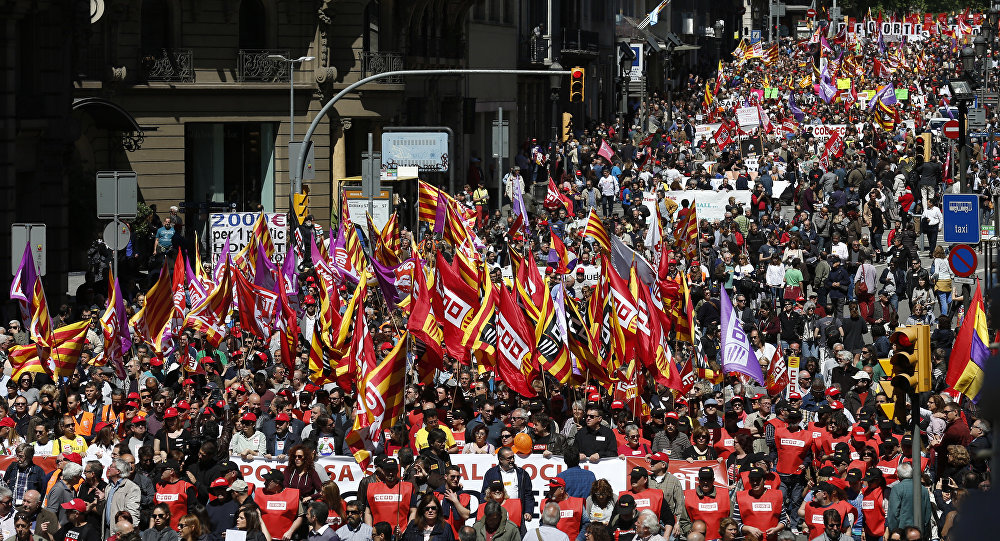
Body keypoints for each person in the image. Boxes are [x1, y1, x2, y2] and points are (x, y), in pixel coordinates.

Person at [480, 448, 534, 527]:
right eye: (509, 458)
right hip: (497, 514)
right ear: (501, 460)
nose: (512, 460)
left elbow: (528, 494)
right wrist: (485, 512)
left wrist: (528, 511)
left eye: (513, 457)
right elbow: (484, 494)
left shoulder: (522, 474)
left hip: (516, 514)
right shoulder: (491, 473)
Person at [364, 456, 417, 534]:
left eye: (393, 470)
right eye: (388, 470)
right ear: (383, 471)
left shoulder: (407, 488)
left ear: (397, 471)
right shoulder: (372, 488)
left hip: (400, 535)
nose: (391, 473)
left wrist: (407, 531)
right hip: (378, 536)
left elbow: (413, 511)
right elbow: (368, 512)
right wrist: (370, 531)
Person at [97, 458, 141, 539]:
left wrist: (130, 533)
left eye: (111, 466)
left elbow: (133, 512)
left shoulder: (131, 488)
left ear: (118, 471)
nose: (109, 468)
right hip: (107, 530)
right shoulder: (108, 487)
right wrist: (101, 500)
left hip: (121, 533)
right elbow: (101, 511)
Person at [255, 469, 304, 541]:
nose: (265, 483)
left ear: (277, 483)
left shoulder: (292, 495)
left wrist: (290, 532)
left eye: (268, 481)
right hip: (263, 538)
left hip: (285, 539)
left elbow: (300, 516)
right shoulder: (260, 493)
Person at [885, 462, 931, 538]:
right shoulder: (923, 490)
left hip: (902, 533)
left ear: (898, 475)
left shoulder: (897, 489)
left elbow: (893, 513)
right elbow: (927, 515)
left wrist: (894, 532)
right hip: (919, 533)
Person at [683, 468, 729, 538]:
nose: (705, 482)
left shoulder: (725, 495)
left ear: (713, 480)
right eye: (703, 479)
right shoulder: (688, 496)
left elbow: (732, 519)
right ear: (698, 480)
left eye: (708, 479)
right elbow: (683, 520)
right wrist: (691, 533)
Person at [153, 460, 196, 531]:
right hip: (160, 530)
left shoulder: (186, 487)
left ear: (172, 471)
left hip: (178, 531)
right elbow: (154, 508)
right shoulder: (159, 486)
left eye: (163, 469)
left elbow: (192, 511)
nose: (160, 471)